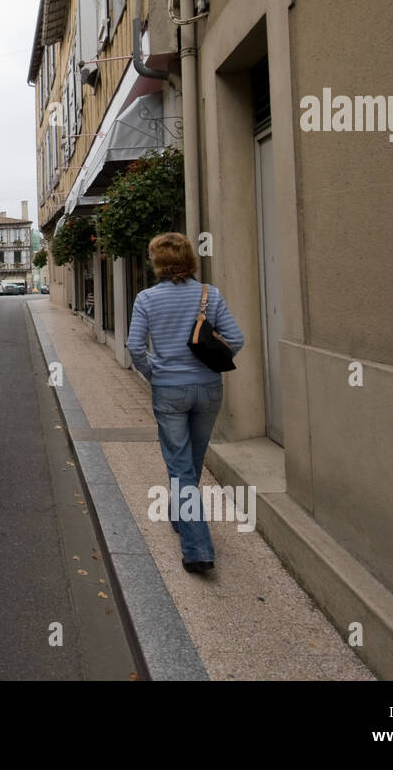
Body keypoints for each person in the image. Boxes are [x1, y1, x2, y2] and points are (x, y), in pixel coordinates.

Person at [125, 232, 244, 574]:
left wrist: (155, 374)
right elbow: (236, 339)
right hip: (208, 388)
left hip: (169, 391)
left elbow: (135, 347)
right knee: (191, 462)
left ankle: (197, 549)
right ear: (190, 259)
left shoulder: (146, 299)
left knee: (180, 467)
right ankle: (181, 515)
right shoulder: (211, 295)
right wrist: (211, 362)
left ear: (157, 263)